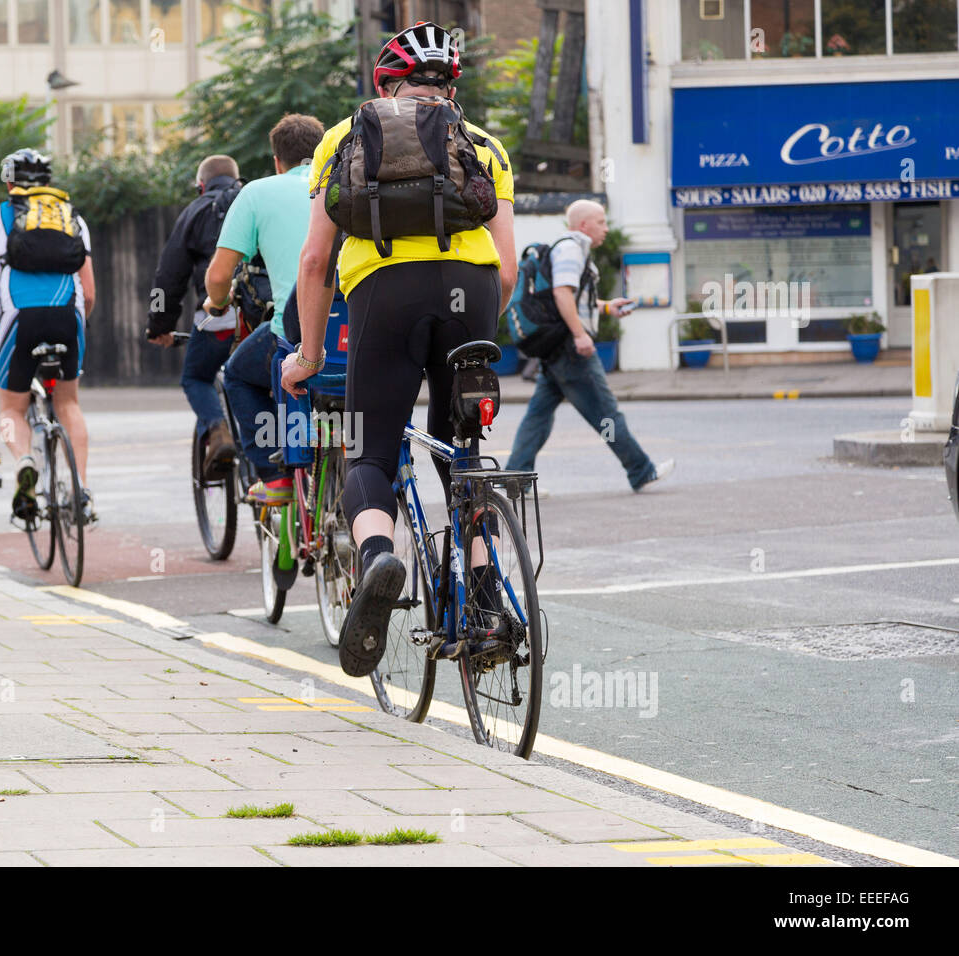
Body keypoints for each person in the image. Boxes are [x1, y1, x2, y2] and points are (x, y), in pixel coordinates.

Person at [283, 22, 516, 677]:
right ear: (450, 86)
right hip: (471, 293)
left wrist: (305, 354)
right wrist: (483, 330)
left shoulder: (343, 137)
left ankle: (379, 556)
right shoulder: (483, 144)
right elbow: (507, 265)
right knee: (464, 454)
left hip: (383, 294)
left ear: (384, 85)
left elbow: (312, 261)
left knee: (370, 451)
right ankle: (488, 599)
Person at [0, 148, 96, 524]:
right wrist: (79, 327)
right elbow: (90, 291)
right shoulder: (73, 218)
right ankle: (80, 491)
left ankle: (23, 461)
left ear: (9, 182)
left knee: (12, 409)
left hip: (19, 319)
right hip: (69, 315)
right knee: (68, 404)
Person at [505, 199, 674, 492]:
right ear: (583, 225)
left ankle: (513, 483)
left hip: (558, 351)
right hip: (572, 352)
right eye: (601, 222)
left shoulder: (568, 249)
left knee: (538, 417)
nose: (606, 228)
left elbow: (574, 297)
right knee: (606, 414)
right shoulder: (572, 248)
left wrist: (607, 308)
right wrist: (581, 335)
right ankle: (640, 470)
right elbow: (562, 295)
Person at [203, 113, 325, 505]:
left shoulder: (257, 192)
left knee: (238, 374)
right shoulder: (347, 184)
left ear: (277, 160)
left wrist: (216, 303)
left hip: (296, 332)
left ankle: (274, 476)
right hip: (357, 326)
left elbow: (220, 275)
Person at [145, 155, 242, 476]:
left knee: (196, 378)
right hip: (267, 313)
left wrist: (160, 326)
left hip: (220, 316)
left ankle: (218, 431)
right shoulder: (254, 198)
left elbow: (168, 277)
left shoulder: (196, 211)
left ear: (201, 186)